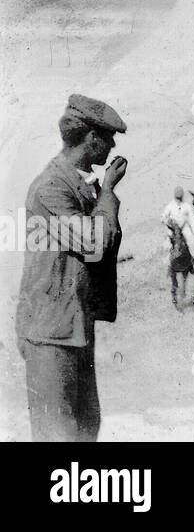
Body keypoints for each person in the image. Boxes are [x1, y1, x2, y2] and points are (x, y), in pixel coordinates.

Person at [16, 95, 128, 441]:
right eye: (107, 137)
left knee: (85, 429)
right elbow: (96, 242)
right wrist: (108, 191)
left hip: (72, 325)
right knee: (57, 434)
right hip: (50, 331)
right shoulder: (51, 187)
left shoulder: (75, 184)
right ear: (90, 138)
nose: (111, 145)